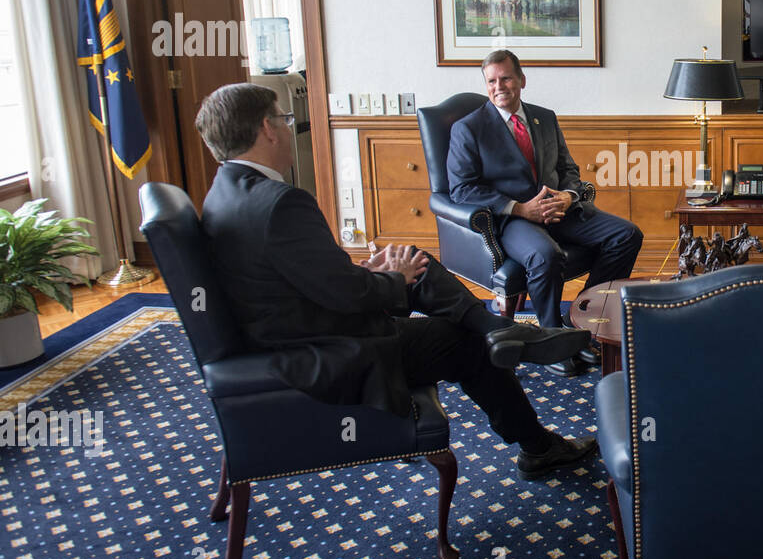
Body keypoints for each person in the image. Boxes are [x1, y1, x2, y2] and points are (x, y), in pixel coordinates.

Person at [195, 83, 597, 480]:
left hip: (296, 324)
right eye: (284, 119)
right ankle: (537, 442)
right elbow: (346, 296)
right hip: (327, 347)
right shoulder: (280, 202)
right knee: (465, 342)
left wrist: (375, 270)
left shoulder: (224, 192)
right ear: (266, 128)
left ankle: (500, 328)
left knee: (414, 260)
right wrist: (388, 278)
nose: (287, 128)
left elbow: (299, 279)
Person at [446, 49, 644, 374]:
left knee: (626, 235)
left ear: (522, 80)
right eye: (491, 81)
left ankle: (582, 319)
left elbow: (568, 168)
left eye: (506, 78)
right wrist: (521, 209)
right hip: (513, 219)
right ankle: (551, 340)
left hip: (558, 210)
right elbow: (462, 189)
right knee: (545, 256)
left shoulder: (544, 117)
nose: (499, 86)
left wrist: (567, 196)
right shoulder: (469, 129)